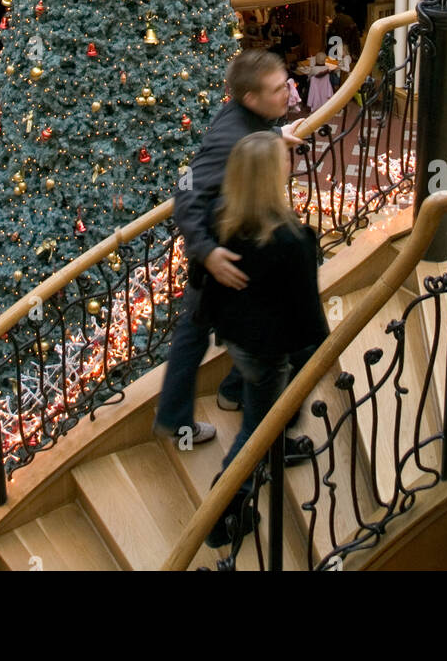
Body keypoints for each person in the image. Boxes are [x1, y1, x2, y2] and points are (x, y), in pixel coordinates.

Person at [153, 51, 301, 444]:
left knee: (201, 331)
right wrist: (207, 252)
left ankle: (217, 400)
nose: (287, 93)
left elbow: (243, 138)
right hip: (223, 256)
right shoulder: (229, 137)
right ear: (250, 98)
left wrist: (275, 136)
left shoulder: (244, 118)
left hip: (231, 251)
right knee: (203, 332)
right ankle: (200, 417)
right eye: (276, 89)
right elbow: (185, 192)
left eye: (285, 83)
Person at [200, 132, 327, 544]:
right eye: (284, 159)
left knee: (265, 403)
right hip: (267, 350)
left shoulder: (224, 223)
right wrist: (321, 352)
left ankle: (270, 430)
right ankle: (222, 513)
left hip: (238, 338)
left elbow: (204, 282)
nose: (291, 162)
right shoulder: (292, 240)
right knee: (257, 430)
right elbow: (308, 315)